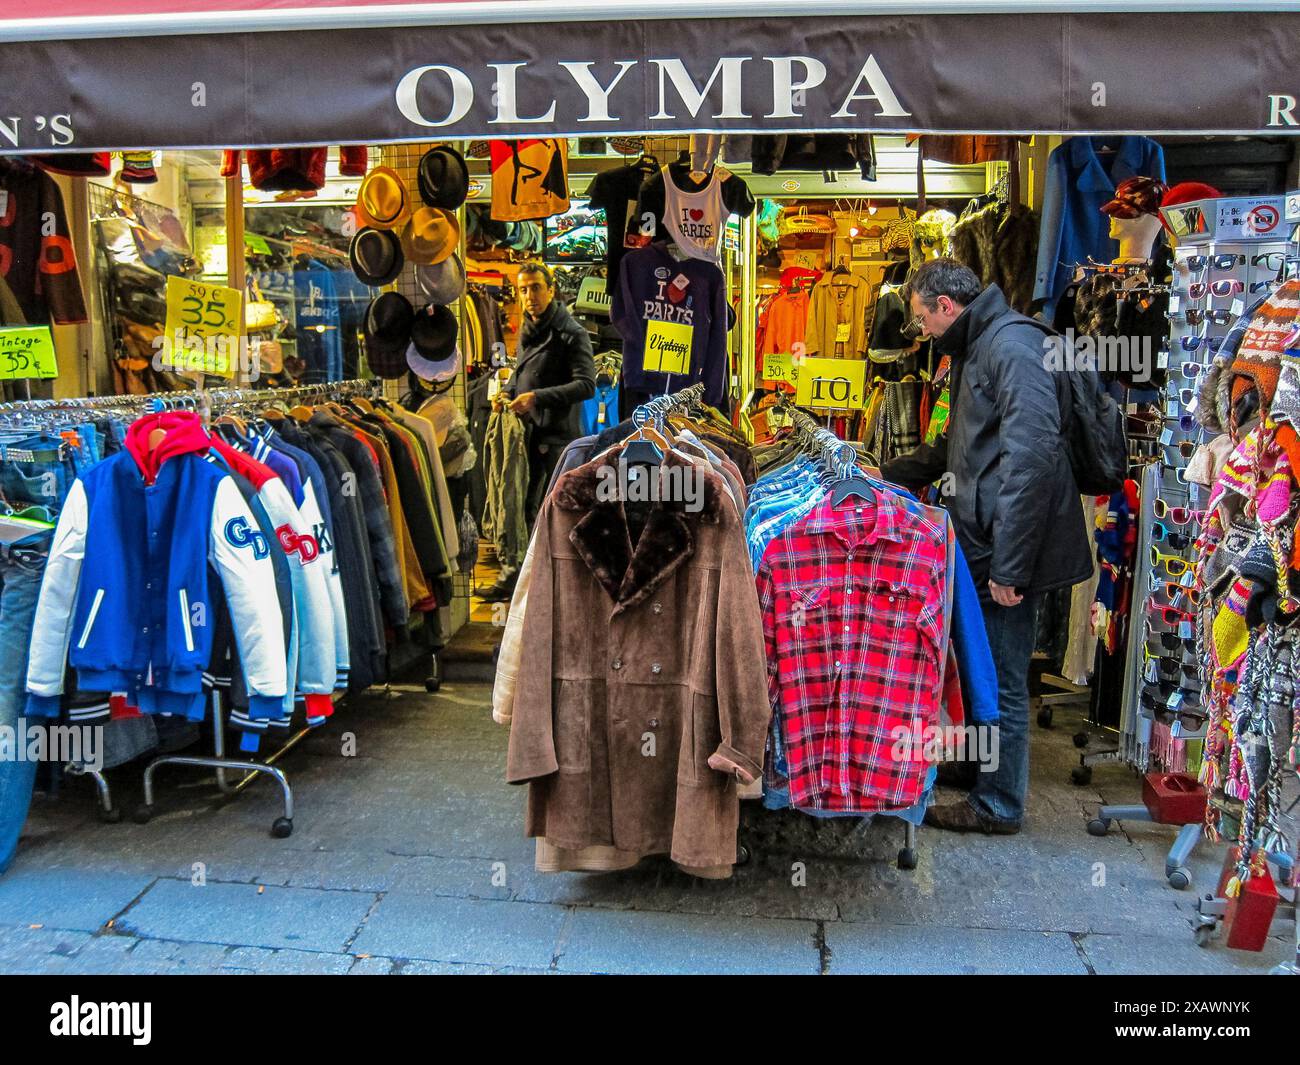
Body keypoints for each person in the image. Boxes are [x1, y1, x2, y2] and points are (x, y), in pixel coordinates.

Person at [883, 258, 1092, 835]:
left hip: (1007, 549)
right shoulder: (977, 348)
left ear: (946, 308)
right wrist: (882, 471)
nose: (921, 330)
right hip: (981, 539)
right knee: (978, 663)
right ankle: (981, 768)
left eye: (922, 318)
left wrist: (1010, 566)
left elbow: (1033, 460)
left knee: (1000, 673)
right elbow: (957, 445)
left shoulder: (1012, 346)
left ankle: (998, 804)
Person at [474, 262, 595, 601]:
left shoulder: (570, 333)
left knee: (549, 512)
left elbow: (586, 385)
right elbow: (520, 375)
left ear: (551, 289)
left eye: (536, 288)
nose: (529, 296)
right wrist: (508, 394)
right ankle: (523, 579)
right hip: (530, 436)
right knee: (522, 508)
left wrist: (536, 398)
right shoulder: (530, 330)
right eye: (524, 289)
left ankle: (549, 585)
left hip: (556, 439)